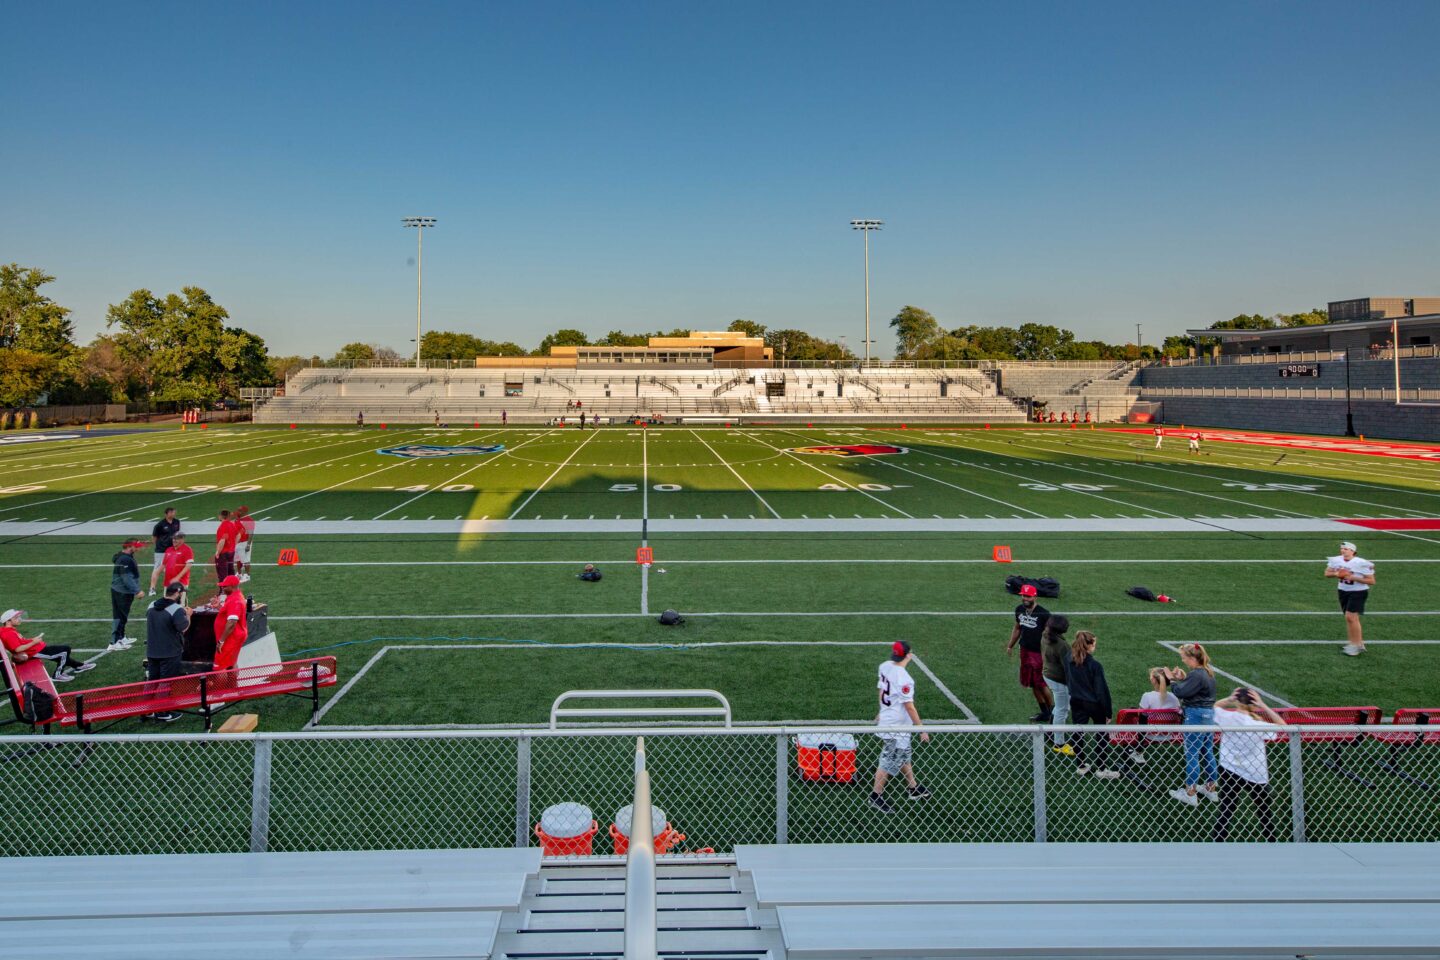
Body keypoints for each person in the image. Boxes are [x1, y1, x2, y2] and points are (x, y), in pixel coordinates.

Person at [1212, 687, 1283, 842]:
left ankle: (1218, 841)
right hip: (1255, 773)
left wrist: (1229, 699)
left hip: (1229, 769)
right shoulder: (1257, 725)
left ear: (1237, 701)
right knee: (1264, 811)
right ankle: (1272, 841)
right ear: (1253, 705)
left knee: (1226, 809)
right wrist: (1263, 705)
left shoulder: (1226, 717)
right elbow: (1283, 726)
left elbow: (1215, 706)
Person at [869, 640, 931, 813]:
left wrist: (882, 710)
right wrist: (921, 729)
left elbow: (882, 690)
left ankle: (913, 788)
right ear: (908, 655)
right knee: (888, 761)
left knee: (904, 755)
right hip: (896, 727)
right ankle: (875, 796)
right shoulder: (905, 679)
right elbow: (909, 707)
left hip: (892, 723)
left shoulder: (885, 666)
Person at [1166, 642, 1218, 806]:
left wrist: (1171, 679)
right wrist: (1183, 678)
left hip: (1195, 716)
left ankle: (1190, 793)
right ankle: (1211, 788)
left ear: (1192, 658)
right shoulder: (1208, 672)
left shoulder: (1196, 674)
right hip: (1209, 715)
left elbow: (1180, 692)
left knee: (1192, 753)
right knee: (1207, 751)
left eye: (1184, 657)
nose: (1183, 660)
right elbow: (1195, 689)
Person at [1063, 631, 1118, 778]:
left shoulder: (1068, 658)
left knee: (1078, 733)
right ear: (1088, 645)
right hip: (1094, 704)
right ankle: (1101, 769)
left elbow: (1067, 679)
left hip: (1076, 701)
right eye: (1094, 643)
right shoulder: (1095, 665)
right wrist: (1108, 712)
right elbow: (1101, 691)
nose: (1095, 645)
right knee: (1101, 734)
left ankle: (1081, 766)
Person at [1, 608, 94, 682]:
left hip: (35, 649)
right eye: (16, 618)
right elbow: (17, 649)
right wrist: (34, 642)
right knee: (65, 650)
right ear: (8, 621)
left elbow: (21, 642)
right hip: (33, 652)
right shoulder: (9, 633)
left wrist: (32, 639)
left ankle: (79, 666)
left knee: (61, 655)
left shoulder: (8, 630)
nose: (19, 619)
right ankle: (57, 675)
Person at [1005, 584, 1053, 721]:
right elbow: (1017, 628)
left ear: (1035, 597)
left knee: (1041, 683)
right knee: (1032, 683)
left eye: (1028, 596)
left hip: (1038, 654)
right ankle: (1045, 712)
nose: (1025, 598)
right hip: (1025, 651)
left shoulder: (1044, 614)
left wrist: (1047, 655)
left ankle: (1053, 713)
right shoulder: (1019, 610)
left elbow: (1050, 636)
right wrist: (1010, 645)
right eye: (1023, 595)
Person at [144, 584, 191, 721]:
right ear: (177, 593)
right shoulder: (176, 609)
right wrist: (188, 615)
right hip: (170, 651)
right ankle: (162, 712)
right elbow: (183, 628)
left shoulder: (151, 605)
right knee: (166, 682)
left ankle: (146, 710)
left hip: (152, 650)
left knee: (152, 680)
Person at [1326, 541, 1375, 656]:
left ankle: (1356, 646)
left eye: (1346, 549)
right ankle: (1357, 643)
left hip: (1358, 592)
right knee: (1351, 619)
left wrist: (1353, 577)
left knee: (1350, 617)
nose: (1343, 550)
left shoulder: (1361, 563)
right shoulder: (1336, 560)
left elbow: (1371, 581)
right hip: (1343, 591)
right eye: (1342, 548)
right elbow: (1327, 573)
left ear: (1353, 551)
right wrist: (1337, 574)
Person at [1130, 667, 1181, 765]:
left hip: (1150, 733)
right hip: (1168, 734)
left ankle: (1137, 752)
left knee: (1134, 712)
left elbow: (1141, 715)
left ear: (1153, 680)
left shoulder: (1147, 696)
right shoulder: (1174, 697)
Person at [1038, 613, 1073, 755]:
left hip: (1048, 675)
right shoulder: (1062, 645)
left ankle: (1050, 732)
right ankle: (1059, 744)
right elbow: (1068, 668)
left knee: (1059, 707)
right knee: (1062, 710)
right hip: (1059, 680)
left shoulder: (1045, 635)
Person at [109, 539, 145, 652]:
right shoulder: (125, 559)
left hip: (120, 590)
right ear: (129, 547)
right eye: (136, 546)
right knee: (120, 616)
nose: (139, 548)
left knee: (122, 616)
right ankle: (114, 642)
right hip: (122, 592)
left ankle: (121, 637)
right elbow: (126, 577)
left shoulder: (124, 557)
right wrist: (137, 591)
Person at [212, 575, 248, 671]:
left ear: (232, 586)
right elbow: (228, 614)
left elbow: (232, 622)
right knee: (232, 663)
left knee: (219, 667)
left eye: (225, 586)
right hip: (234, 636)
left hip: (231, 638)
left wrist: (221, 641)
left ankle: (226, 682)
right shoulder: (233, 596)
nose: (222, 588)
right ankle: (233, 680)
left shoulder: (235, 600)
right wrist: (218, 606)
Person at [148, 506, 181, 595]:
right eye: (172, 512)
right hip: (161, 550)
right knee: (157, 569)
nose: (174, 514)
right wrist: (160, 545)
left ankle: (173, 587)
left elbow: (176, 535)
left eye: (174, 512)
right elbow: (154, 538)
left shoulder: (177, 522)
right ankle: (152, 589)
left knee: (171, 568)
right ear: (167, 514)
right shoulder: (160, 525)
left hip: (172, 549)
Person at [163, 532, 195, 597]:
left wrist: (177, 577)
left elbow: (188, 565)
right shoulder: (168, 550)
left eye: (176, 539)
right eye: (173, 539)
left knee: (181, 602)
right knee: (167, 601)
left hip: (181, 582)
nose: (174, 540)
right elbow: (164, 565)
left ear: (182, 539)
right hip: (168, 582)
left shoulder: (187, 549)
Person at [214, 509, 239, 583]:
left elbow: (223, 540)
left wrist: (218, 552)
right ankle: (233, 587)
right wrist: (234, 544)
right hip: (231, 552)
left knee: (222, 574)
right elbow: (238, 535)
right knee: (231, 571)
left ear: (221, 516)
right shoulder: (232, 524)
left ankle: (224, 589)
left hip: (223, 553)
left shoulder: (222, 526)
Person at [233, 506, 255, 583]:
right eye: (237, 510)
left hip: (244, 543)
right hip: (237, 543)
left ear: (244, 512)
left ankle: (247, 576)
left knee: (246, 560)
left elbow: (251, 533)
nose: (237, 512)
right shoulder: (237, 519)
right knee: (238, 559)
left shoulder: (249, 520)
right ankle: (239, 574)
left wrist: (248, 545)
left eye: (239, 510)